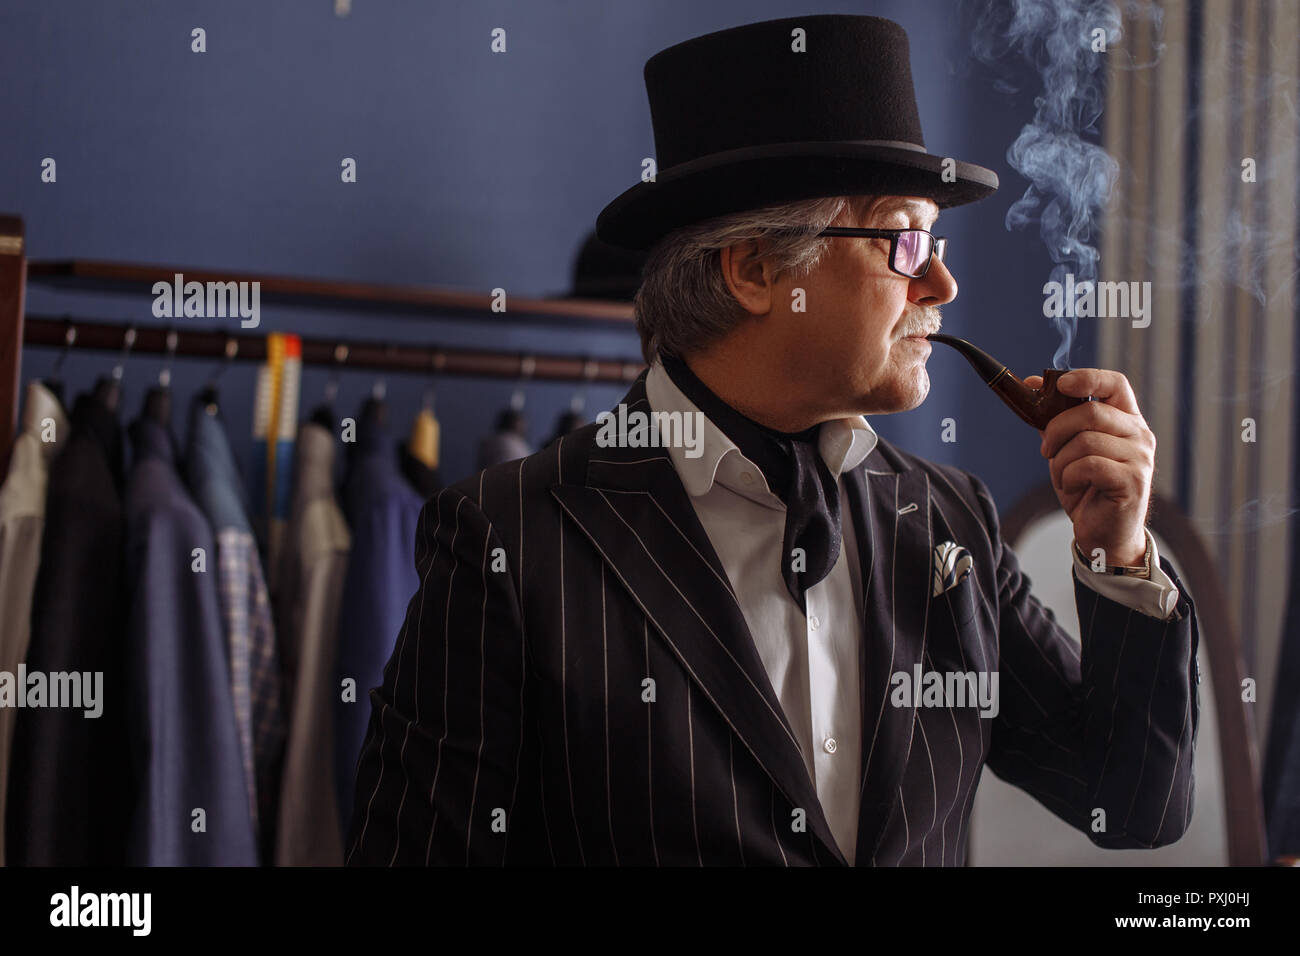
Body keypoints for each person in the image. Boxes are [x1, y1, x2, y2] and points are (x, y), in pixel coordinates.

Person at [345, 14, 1200, 866]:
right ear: (755, 270)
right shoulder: (509, 538)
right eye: (906, 240)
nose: (941, 280)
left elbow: (1128, 808)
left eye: (935, 242)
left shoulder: (949, 524)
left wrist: (1119, 553)